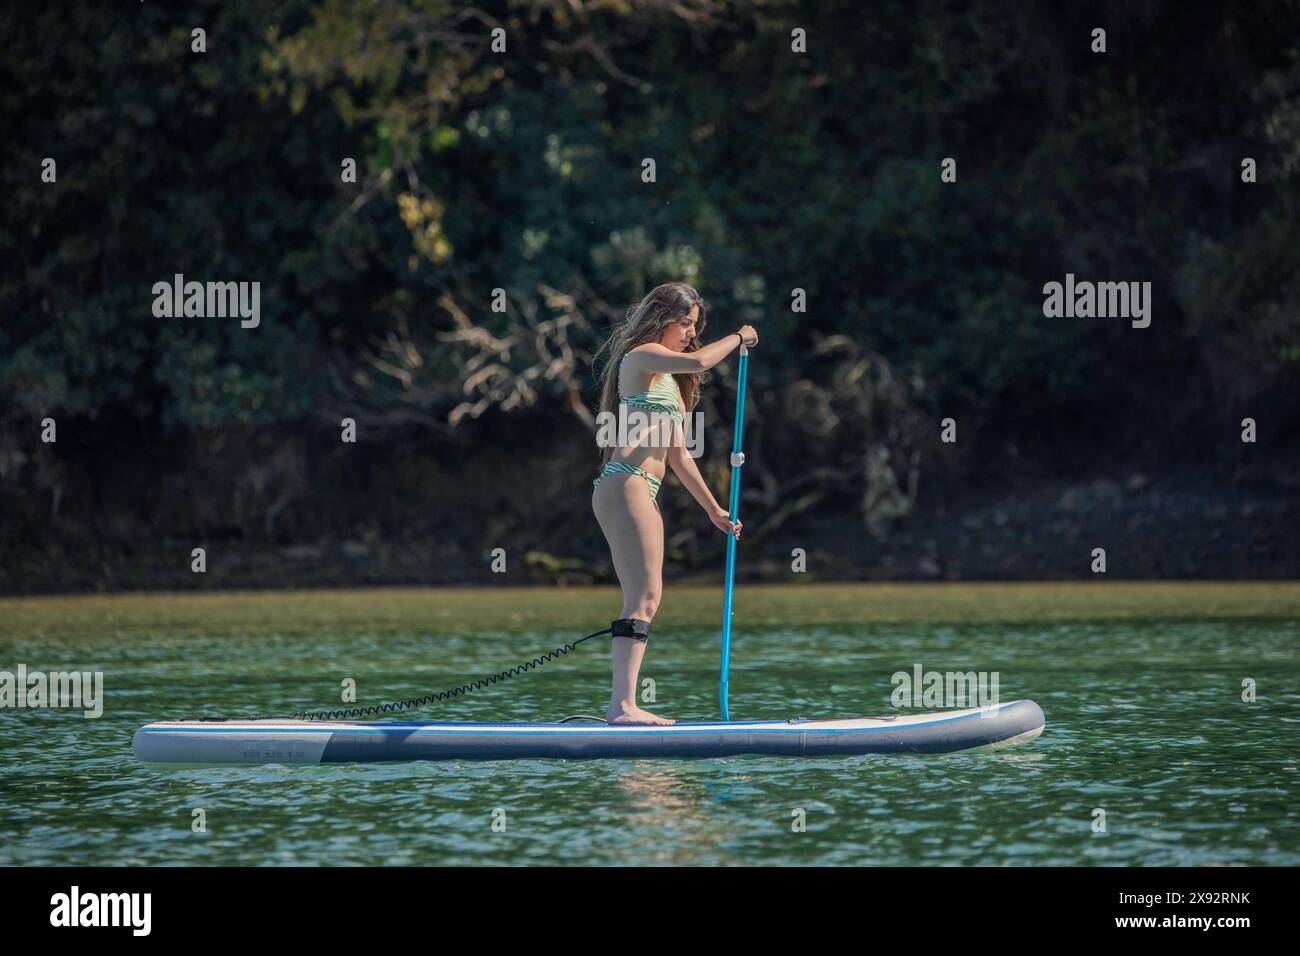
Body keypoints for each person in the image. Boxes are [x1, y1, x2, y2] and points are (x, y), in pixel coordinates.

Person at [591, 282, 759, 724]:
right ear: (662, 318)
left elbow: (678, 454)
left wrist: (713, 511)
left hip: (642, 487)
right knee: (644, 597)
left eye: (695, 326)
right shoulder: (640, 357)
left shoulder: (668, 381)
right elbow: (702, 360)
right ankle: (623, 707)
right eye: (685, 323)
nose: (691, 333)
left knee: (647, 597)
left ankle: (621, 705)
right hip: (625, 483)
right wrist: (739, 337)